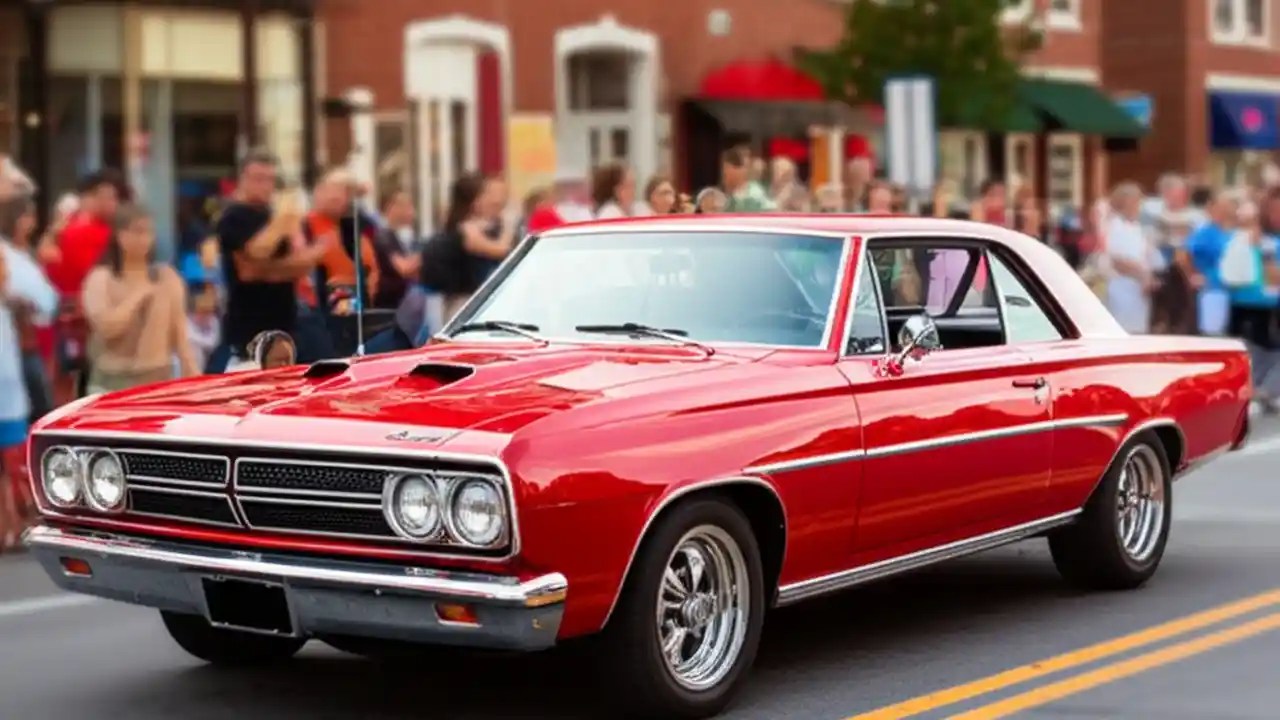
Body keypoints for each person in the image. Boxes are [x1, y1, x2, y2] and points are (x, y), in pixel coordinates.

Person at [207, 150, 333, 372]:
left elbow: (303, 263)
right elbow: (252, 263)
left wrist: (273, 268)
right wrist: (283, 222)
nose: (266, 186)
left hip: (285, 328)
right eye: (258, 179)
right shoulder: (233, 217)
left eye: (270, 180)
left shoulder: (271, 216)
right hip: (247, 332)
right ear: (242, 180)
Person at [81, 205, 199, 392]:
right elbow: (106, 326)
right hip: (112, 381)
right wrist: (138, 296)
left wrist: (193, 377)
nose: (143, 239)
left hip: (157, 379)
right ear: (120, 235)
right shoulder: (101, 278)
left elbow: (181, 336)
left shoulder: (167, 277)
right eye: (137, 232)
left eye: (148, 232)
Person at [0, 196, 58, 552]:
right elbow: (43, 303)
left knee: (12, 449)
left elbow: (43, 304)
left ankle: (16, 524)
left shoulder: (14, 258)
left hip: (9, 367)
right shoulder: (12, 256)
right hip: (11, 367)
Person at [421, 173, 514, 322]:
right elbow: (500, 250)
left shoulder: (478, 225)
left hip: (467, 299)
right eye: (486, 194)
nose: (491, 199)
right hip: (459, 303)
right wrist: (508, 227)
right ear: (474, 201)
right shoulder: (467, 228)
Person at [0, 195, 55, 422]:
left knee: (39, 406)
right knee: (37, 408)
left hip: (32, 340)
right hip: (15, 343)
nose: (32, 222)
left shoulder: (25, 252)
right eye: (28, 216)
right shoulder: (6, 253)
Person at [1103, 183, 1162, 334]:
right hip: (1123, 288)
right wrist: (1143, 276)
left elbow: (1146, 256)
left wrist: (1150, 276)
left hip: (1139, 291)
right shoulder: (1116, 226)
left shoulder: (1136, 227)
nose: (1138, 207)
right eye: (1134, 203)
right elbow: (1118, 261)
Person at [1185, 191, 1239, 336]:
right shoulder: (1204, 232)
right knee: (1213, 334)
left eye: (1227, 208)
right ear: (1211, 209)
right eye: (1220, 208)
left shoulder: (1234, 232)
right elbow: (1184, 255)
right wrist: (1193, 275)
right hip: (1212, 289)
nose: (1224, 212)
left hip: (1235, 290)